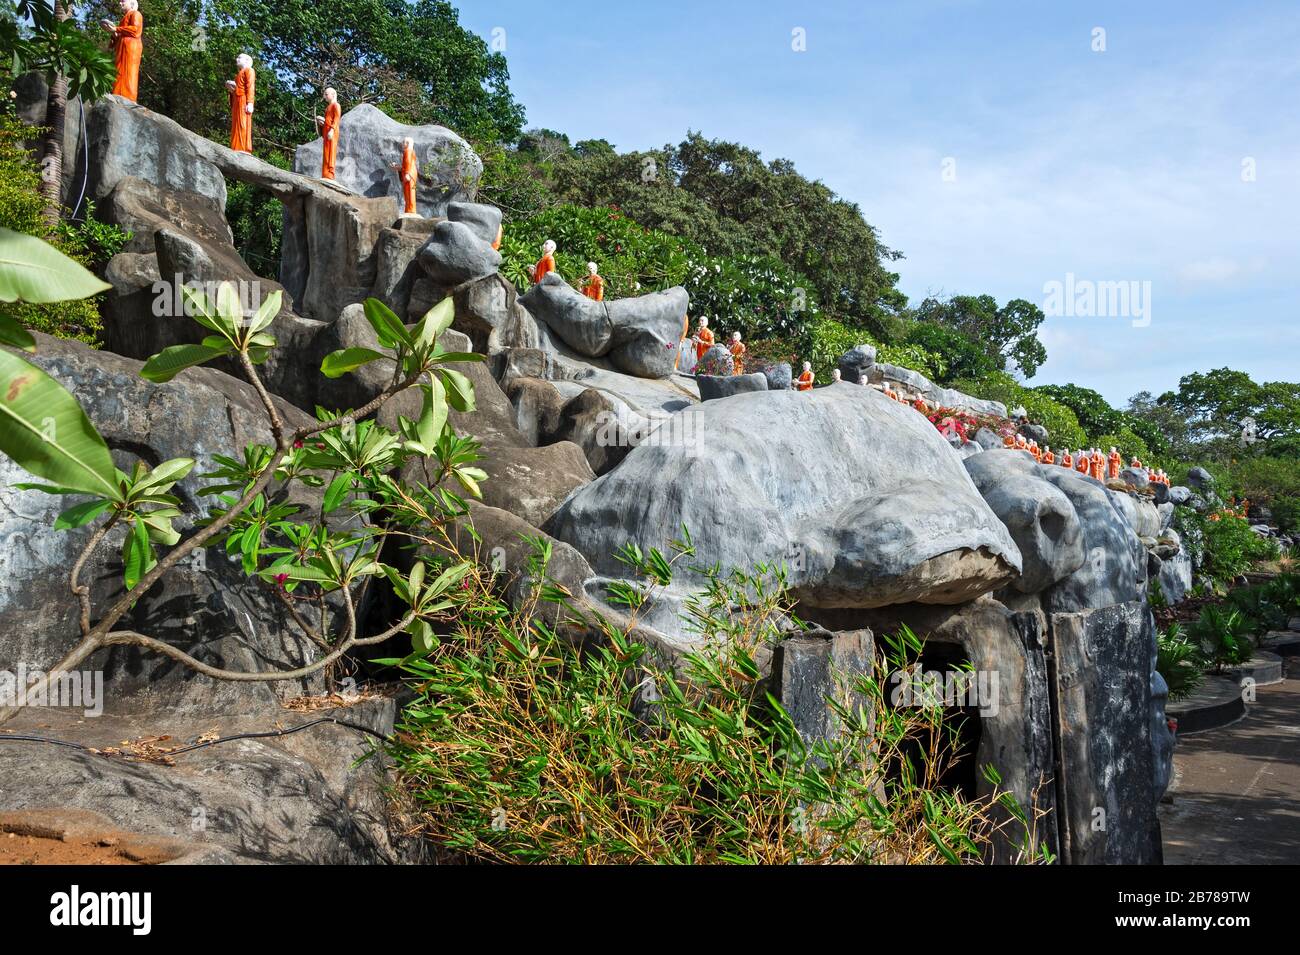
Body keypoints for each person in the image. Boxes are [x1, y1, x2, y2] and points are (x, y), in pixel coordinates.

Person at [101, 0, 142, 102]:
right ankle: (117, 94)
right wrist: (114, 35)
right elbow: (118, 36)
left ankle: (129, 97)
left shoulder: (136, 14)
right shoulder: (124, 18)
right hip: (122, 49)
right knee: (119, 72)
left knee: (129, 73)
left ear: (132, 3)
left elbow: (136, 30)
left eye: (123, 1)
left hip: (131, 48)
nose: (120, 3)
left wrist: (116, 29)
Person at [226, 54, 256, 153]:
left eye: (239, 58)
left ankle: (242, 147)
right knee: (236, 124)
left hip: (244, 101)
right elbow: (237, 89)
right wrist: (231, 89)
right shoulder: (238, 74)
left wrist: (250, 103)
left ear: (247, 61)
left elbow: (250, 87)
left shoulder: (249, 70)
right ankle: (235, 146)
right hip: (237, 101)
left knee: (243, 123)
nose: (237, 59)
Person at [315, 88, 341, 180]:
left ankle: (330, 173)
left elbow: (337, 119)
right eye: (324, 94)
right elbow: (328, 120)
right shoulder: (327, 108)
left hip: (332, 132)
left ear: (333, 94)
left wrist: (332, 130)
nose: (324, 96)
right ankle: (325, 173)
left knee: (331, 152)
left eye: (326, 94)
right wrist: (322, 122)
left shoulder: (336, 105)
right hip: (326, 131)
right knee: (326, 152)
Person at [389, 137, 419, 214]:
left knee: (410, 192)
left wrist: (407, 174)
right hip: (410, 173)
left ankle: (411, 210)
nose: (402, 144)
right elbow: (406, 166)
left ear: (408, 143)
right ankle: (409, 209)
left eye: (404, 142)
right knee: (408, 192)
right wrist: (397, 168)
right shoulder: (410, 151)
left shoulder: (408, 151)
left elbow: (408, 163)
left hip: (410, 174)